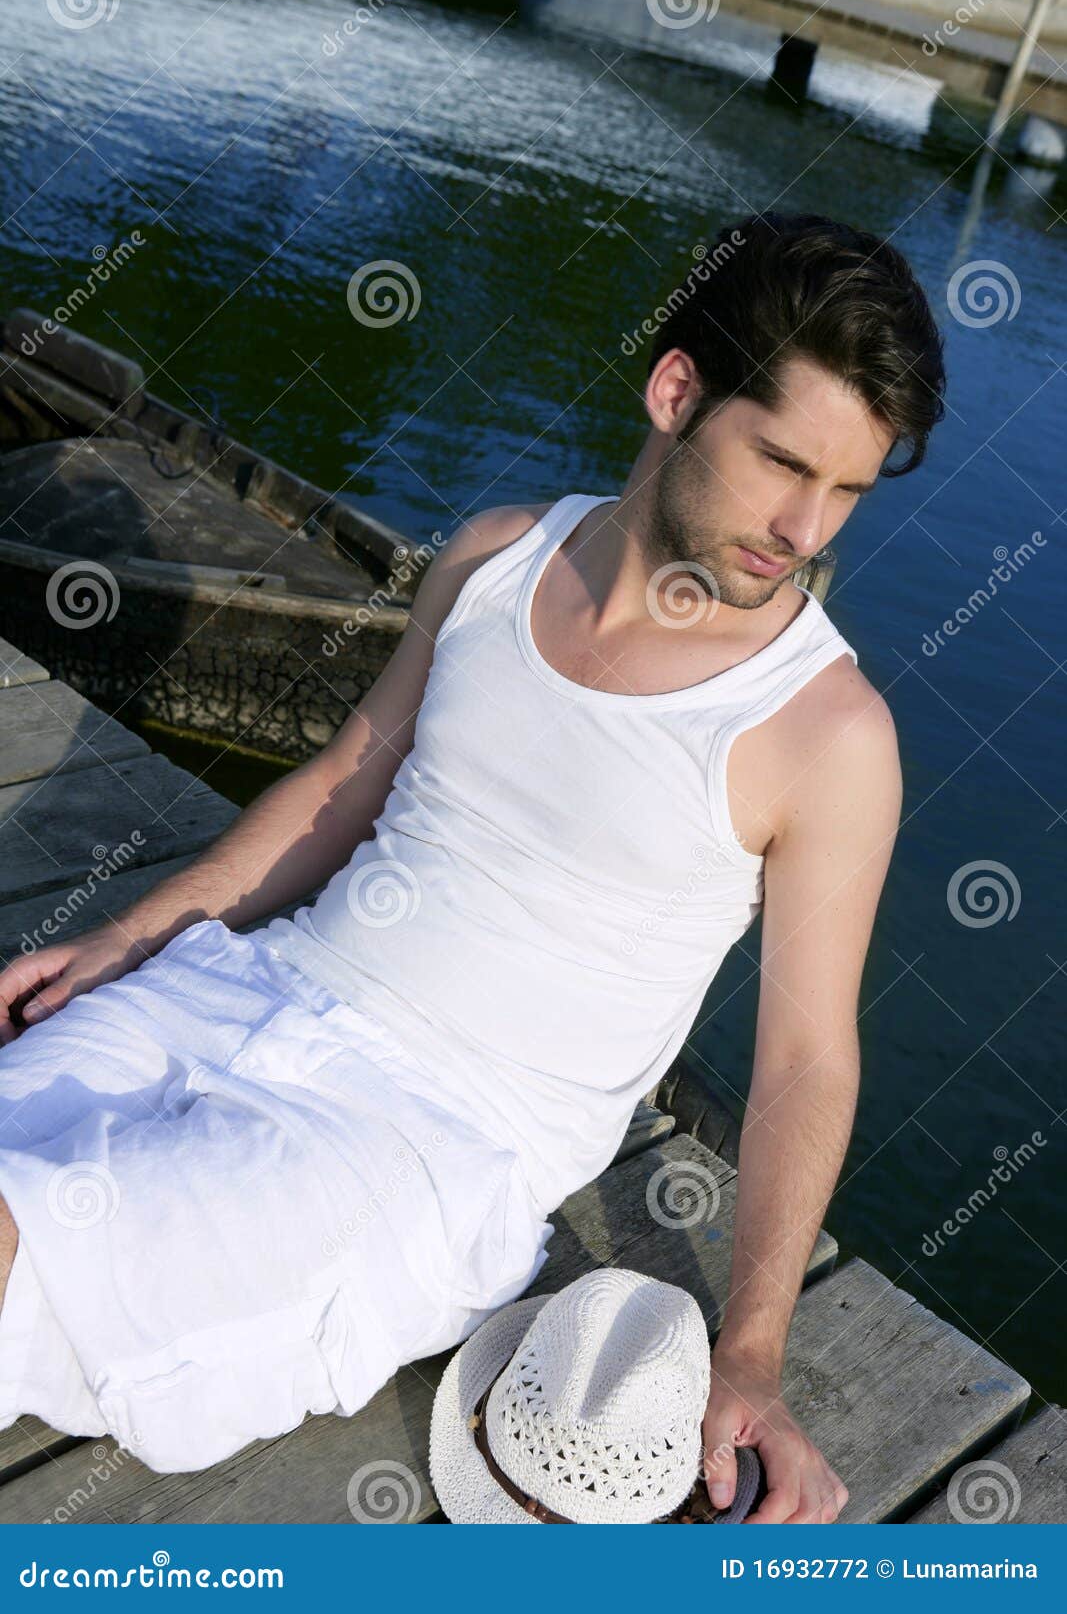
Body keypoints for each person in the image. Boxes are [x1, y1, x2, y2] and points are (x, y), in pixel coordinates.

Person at [0, 211, 944, 1519]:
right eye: (783, 460)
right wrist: (135, 938)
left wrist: (753, 1355)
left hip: (417, 1149)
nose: (805, 524)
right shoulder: (499, 557)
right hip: (234, 993)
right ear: (677, 389)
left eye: (847, 487)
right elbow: (343, 784)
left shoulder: (825, 735)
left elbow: (803, 1059)